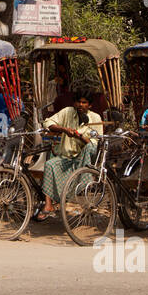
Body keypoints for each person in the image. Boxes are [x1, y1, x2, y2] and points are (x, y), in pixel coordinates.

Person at [36, 92, 102, 221]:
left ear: (89, 105)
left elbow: (94, 144)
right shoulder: (67, 112)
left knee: (89, 147)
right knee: (50, 164)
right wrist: (64, 129)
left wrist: (80, 137)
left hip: (84, 158)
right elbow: (48, 122)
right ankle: (48, 205)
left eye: (84, 103)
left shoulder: (95, 118)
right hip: (66, 157)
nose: (80, 105)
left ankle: (79, 185)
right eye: (78, 102)